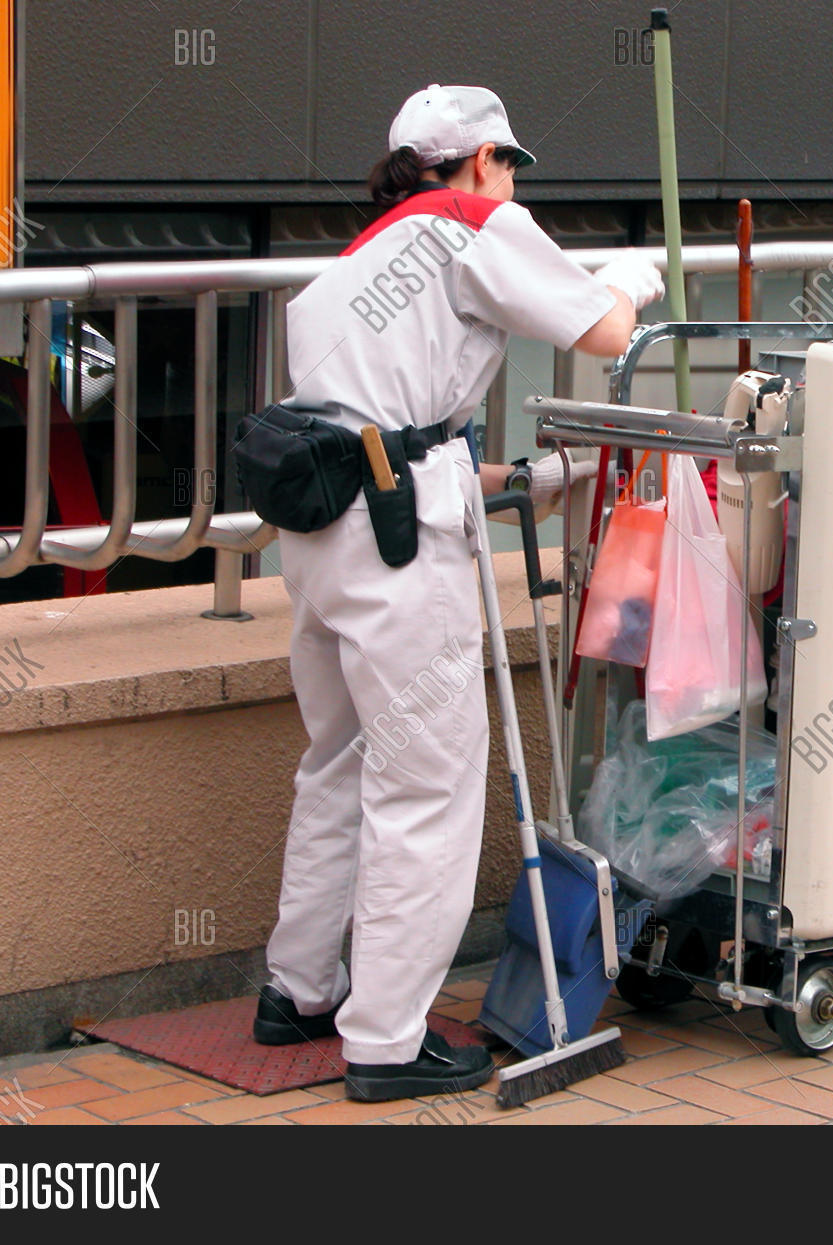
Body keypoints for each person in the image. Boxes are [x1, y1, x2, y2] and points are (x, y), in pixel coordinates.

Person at [251, 83, 664, 1102]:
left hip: (318, 534)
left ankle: (297, 990)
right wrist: (631, 279)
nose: (516, 180)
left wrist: (530, 481)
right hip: (398, 548)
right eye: (510, 161)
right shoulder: (479, 222)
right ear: (480, 161)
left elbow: (396, 430)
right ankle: (386, 1042)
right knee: (425, 786)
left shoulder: (352, 264)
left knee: (340, 763)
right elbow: (606, 333)